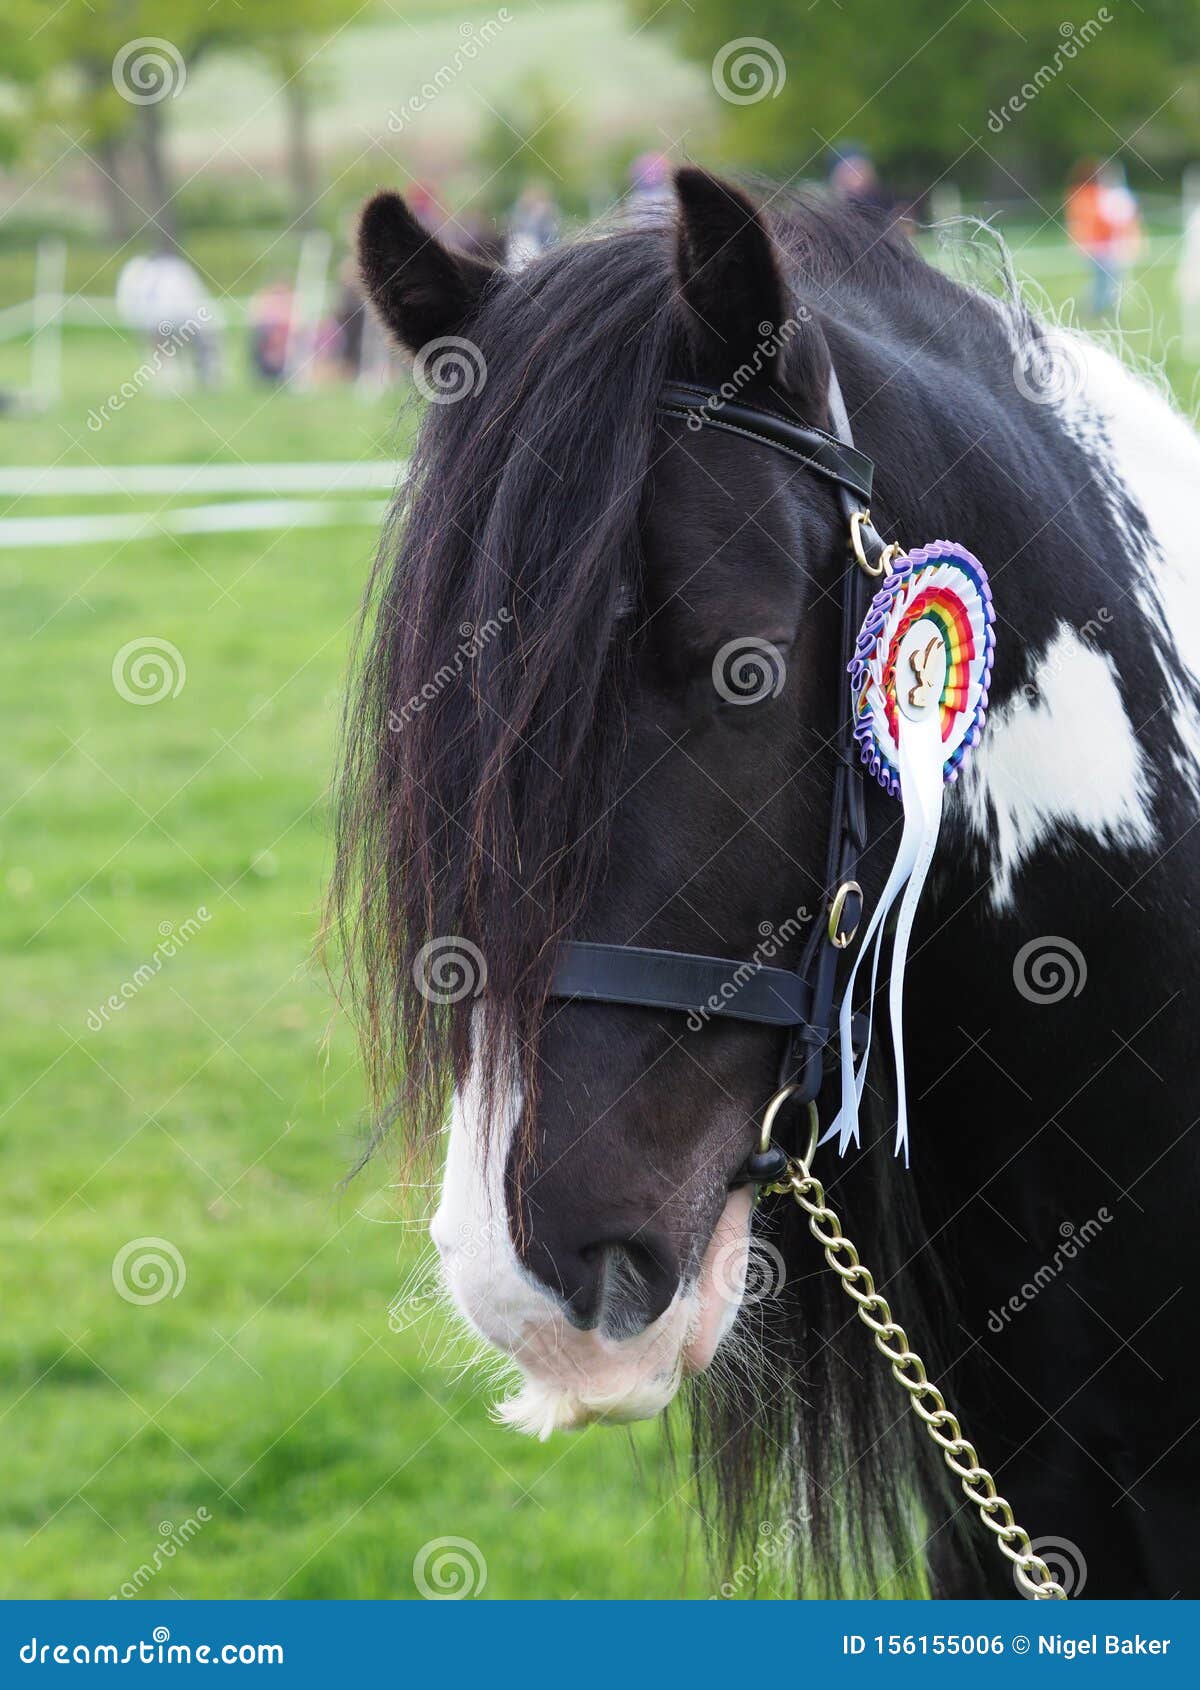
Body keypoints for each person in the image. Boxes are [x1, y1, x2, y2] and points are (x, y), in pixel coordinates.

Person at [115, 251, 221, 390]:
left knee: (182, 348)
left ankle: (198, 378)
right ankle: (170, 382)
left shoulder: (172, 269)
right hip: (162, 319)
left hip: (174, 318)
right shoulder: (149, 269)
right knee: (166, 350)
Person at [1066, 157, 1143, 316]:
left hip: (1110, 244)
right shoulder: (1090, 196)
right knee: (1103, 279)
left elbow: (1125, 219)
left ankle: (1101, 307)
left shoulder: (1108, 196)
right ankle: (1097, 308)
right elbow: (1088, 220)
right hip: (1098, 244)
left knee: (1109, 278)